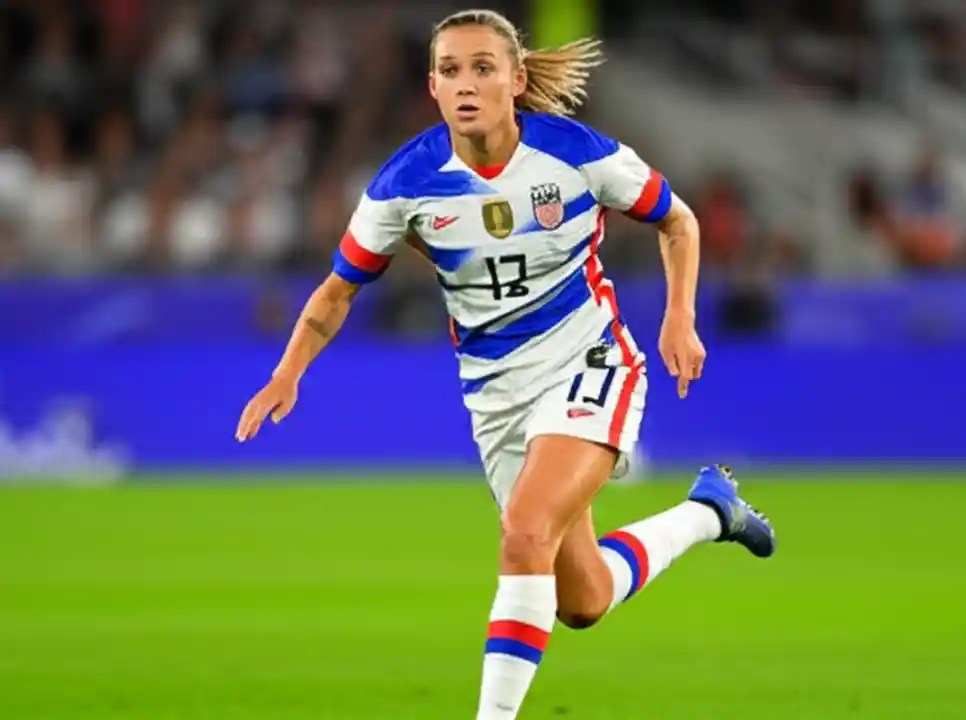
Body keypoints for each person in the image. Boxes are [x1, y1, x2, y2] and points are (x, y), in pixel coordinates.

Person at [234, 8, 776, 718]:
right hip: (496, 395)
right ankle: (709, 511)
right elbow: (337, 292)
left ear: (516, 80)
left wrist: (681, 314)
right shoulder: (406, 184)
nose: (466, 84)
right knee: (582, 600)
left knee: (523, 532)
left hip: (589, 359)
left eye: (483, 68)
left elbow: (678, 220)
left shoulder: (575, 155)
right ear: (433, 87)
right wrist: (288, 371)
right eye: (450, 70)